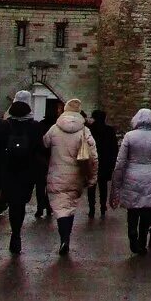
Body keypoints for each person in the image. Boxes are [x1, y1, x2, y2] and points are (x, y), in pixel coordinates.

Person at [43, 98, 98, 255]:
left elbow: (45, 144)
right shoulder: (84, 131)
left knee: (60, 207)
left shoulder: (54, 129)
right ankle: (66, 237)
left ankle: (63, 237)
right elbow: (93, 157)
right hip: (76, 176)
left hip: (56, 174)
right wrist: (93, 177)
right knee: (70, 206)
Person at [111, 108, 151, 255]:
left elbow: (121, 161)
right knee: (146, 212)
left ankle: (132, 237)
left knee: (133, 210)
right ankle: (142, 242)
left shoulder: (129, 137)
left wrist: (117, 183)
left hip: (132, 176)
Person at [0, 90, 45, 254]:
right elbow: (41, 149)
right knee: (21, 202)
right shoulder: (35, 126)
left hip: (9, 169)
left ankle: (15, 233)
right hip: (27, 170)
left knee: (13, 203)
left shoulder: (5, 125)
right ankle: (17, 232)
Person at [86, 110, 117, 218]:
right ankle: (103, 207)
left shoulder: (89, 130)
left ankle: (91, 208)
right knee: (103, 186)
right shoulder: (109, 130)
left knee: (91, 186)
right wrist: (112, 164)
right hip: (105, 163)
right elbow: (114, 148)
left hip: (92, 162)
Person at [34, 99, 60, 218]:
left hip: (40, 159)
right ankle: (49, 207)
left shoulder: (39, 125)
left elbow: (37, 143)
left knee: (40, 185)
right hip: (53, 159)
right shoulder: (57, 127)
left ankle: (40, 208)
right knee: (50, 186)